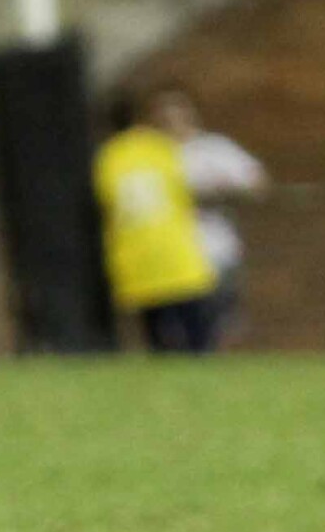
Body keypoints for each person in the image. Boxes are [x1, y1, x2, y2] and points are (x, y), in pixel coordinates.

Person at [94, 90, 221, 353]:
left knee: (158, 337)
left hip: (137, 258)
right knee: (199, 335)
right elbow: (189, 186)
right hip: (177, 254)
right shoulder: (160, 149)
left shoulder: (108, 157)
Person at [151, 85, 266, 341]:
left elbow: (256, 183)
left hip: (214, 246)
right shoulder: (151, 154)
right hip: (168, 251)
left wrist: (218, 192)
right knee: (174, 324)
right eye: (165, 116)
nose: (173, 121)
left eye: (178, 113)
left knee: (216, 315)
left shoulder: (213, 149)